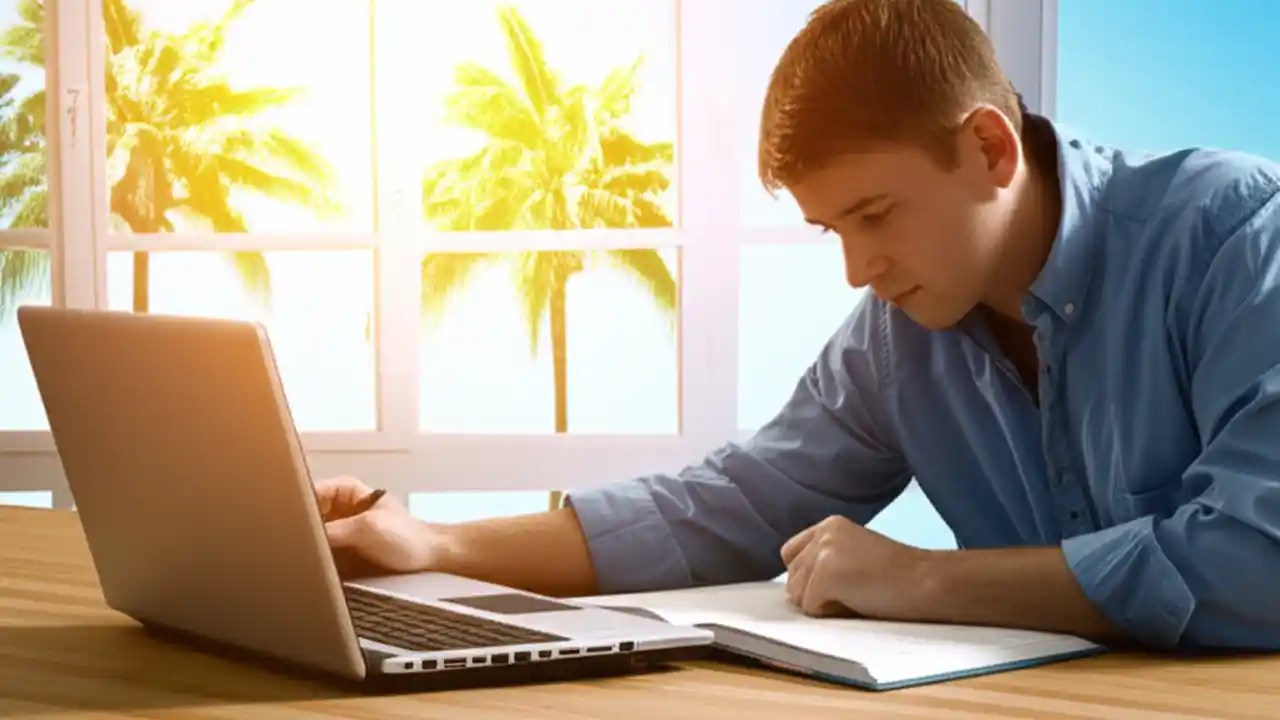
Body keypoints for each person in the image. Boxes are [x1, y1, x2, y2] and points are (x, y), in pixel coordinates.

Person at [318, 0, 1280, 652]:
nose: (858, 270)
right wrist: (433, 544)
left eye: (875, 215)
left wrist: (926, 582)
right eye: (831, 230)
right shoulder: (895, 333)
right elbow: (725, 507)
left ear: (988, 147)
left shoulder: (1234, 234)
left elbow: (1255, 561)